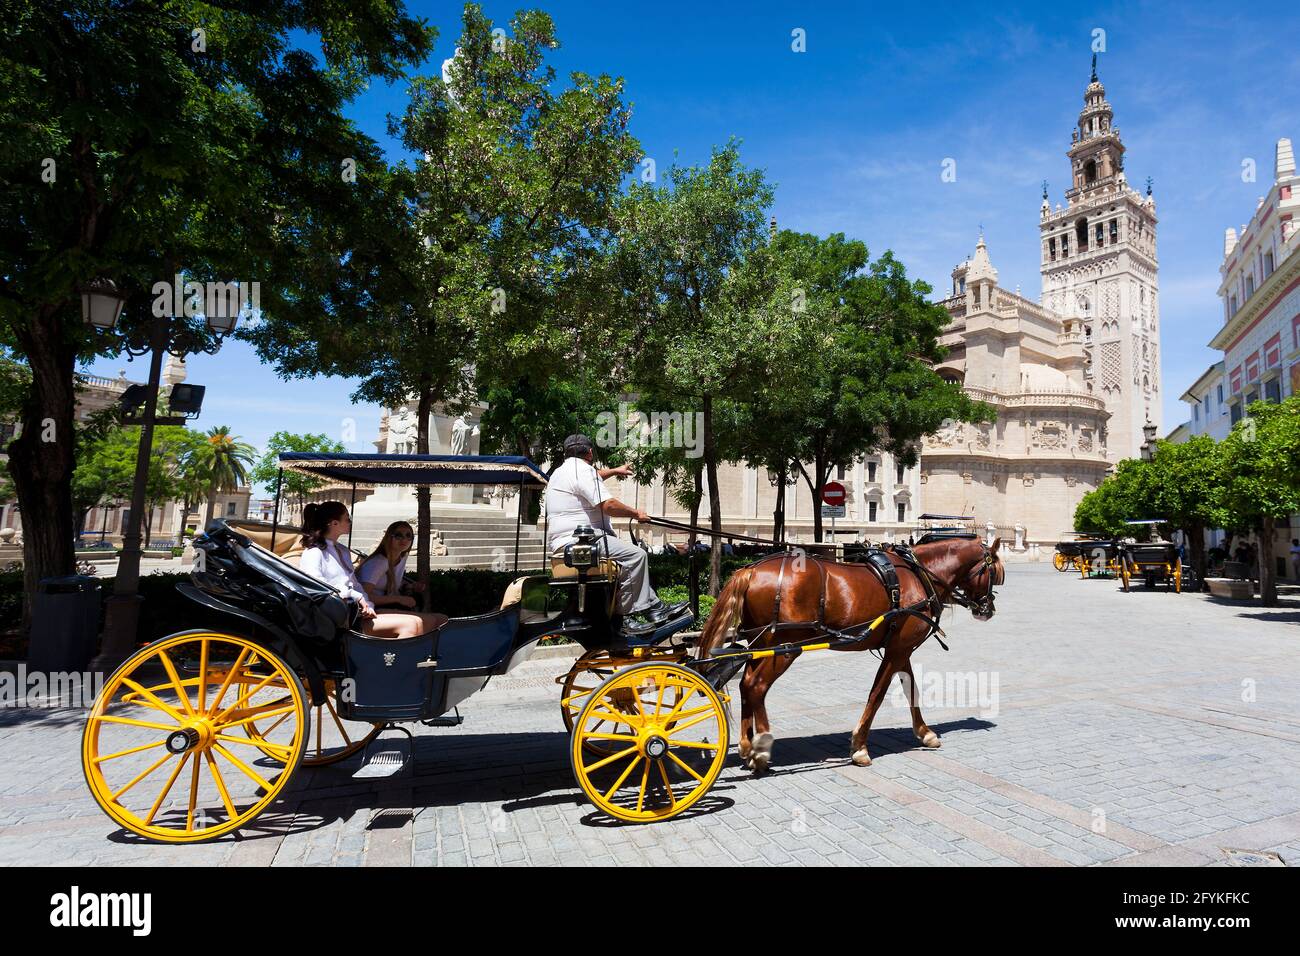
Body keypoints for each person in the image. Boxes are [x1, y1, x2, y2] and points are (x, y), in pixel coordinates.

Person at [545, 434, 687, 631]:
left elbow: (595, 477)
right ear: (590, 453)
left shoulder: (562, 472)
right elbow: (609, 505)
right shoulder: (583, 471)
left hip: (567, 543)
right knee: (636, 556)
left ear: (566, 453)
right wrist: (637, 513)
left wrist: (614, 471)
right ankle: (625, 617)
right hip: (582, 544)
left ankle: (655, 607)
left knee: (627, 555)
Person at [298, 502, 446, 639]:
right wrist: (358, 597)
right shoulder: (314, 553)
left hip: (359, 612)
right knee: (413, 624)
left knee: (437, 620)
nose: (350, 521)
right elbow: (317, 588)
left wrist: (367, 603)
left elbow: (354, 584)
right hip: (339, 617)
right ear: (334, 523)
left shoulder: (342, 551)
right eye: (347, 518)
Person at [358, 521, 439, 625]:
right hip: (370, 610)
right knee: (430, 621)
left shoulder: (402, 557)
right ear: (389, 538)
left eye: (408, 536)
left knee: (440, 619)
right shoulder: (379, 562)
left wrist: (410, 586)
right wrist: (399, 599)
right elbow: (364, 596)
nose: (404, 539)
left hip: (389, 606)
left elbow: (389, 582)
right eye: (398, 535)